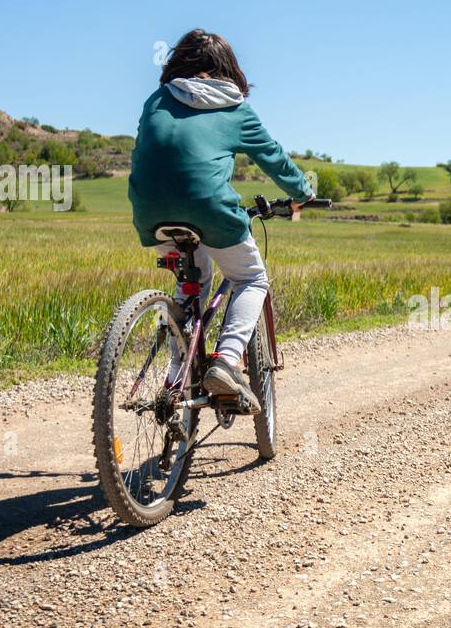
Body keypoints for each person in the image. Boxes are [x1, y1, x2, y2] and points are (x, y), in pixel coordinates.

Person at [128, 29, 313, 408]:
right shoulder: (235, 107)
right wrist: (301, 195)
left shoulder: (156, 99)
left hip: (149, 209)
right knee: (250, 277)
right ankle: (227, 361)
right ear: (228, 67)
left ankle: (176, 382)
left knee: (190, 287)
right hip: (208, 208)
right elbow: (274, 158)